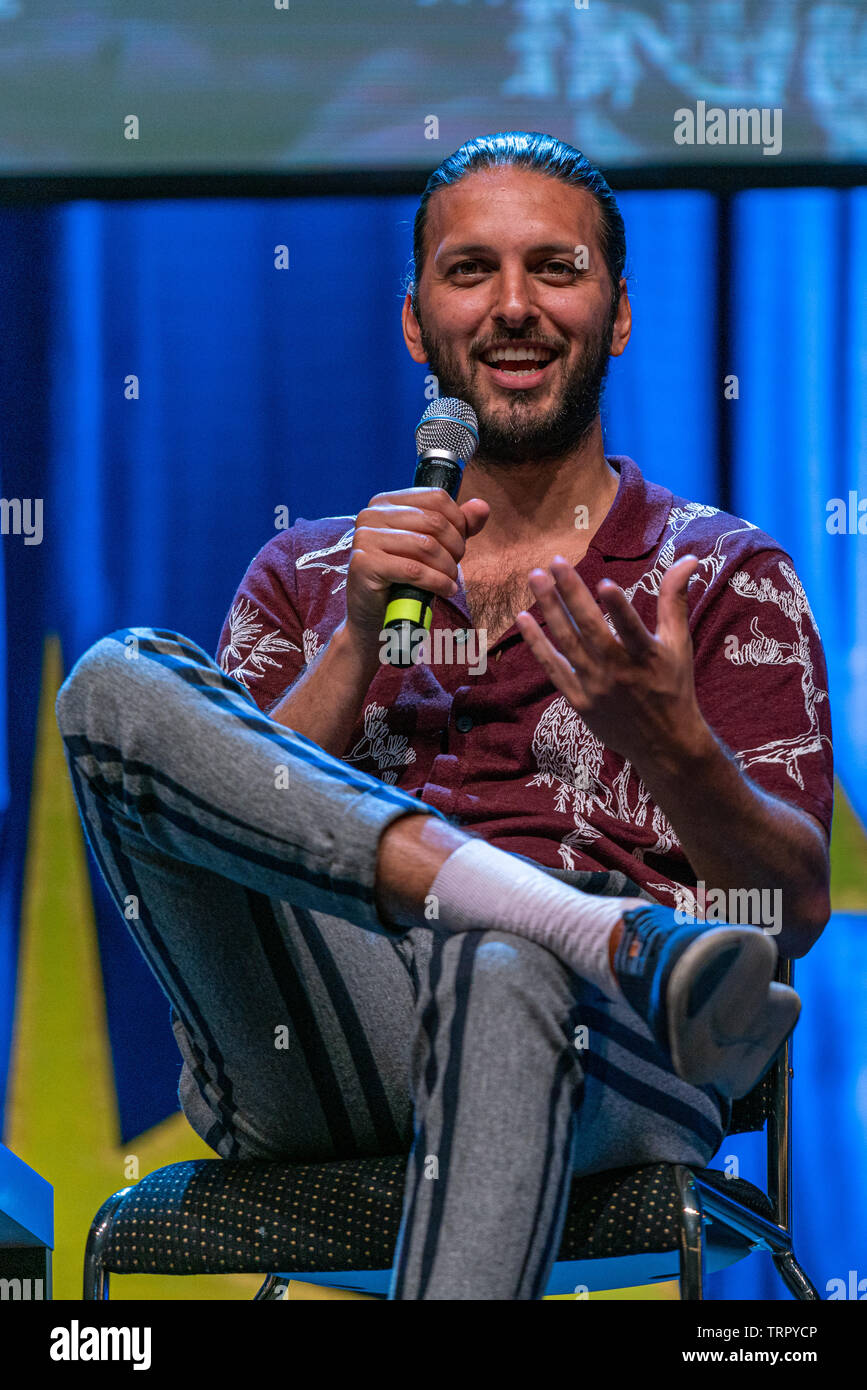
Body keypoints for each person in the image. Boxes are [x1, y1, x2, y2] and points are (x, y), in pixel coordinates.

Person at [55, 131, 833, 1300]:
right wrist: (357, 646)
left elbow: (790, 914)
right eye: (471, 271)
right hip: (317, 1045)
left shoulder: (717, 574)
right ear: (417, 321)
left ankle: (567, 939)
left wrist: (676, 749)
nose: (513, 306)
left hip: (612, 1055)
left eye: (555, 269)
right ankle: (574, 921)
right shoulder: (306, 573)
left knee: (506, 969)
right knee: (114, 681)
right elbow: (200, 849)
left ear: (617, 313)